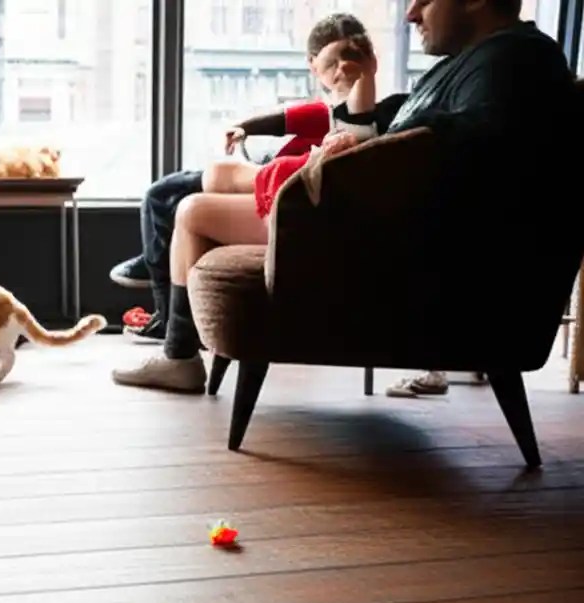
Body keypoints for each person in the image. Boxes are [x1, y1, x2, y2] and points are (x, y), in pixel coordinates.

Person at [113, 0, 576, 394]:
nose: (411, 13)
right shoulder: (483, 61)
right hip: (372, 227)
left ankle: (179, 356)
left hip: (383, 246)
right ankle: (181, 342)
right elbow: (403, 131)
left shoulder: (513, 62)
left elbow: (460, 159)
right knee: (203, 191)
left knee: (192, 212)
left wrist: (357, 153)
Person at [110, 13, 379, 344]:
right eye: (331, 64)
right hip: (279, 182)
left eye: (349, 60)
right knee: (191, 184)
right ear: (314, 67)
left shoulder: (357, 114)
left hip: (291, 196)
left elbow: (358, 108)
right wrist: (245, 129)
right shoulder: (329, 111)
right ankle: (160, 276)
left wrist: (361, 72)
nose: (340, 70)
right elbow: (281, 120)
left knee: (173, 199)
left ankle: (164, 297)